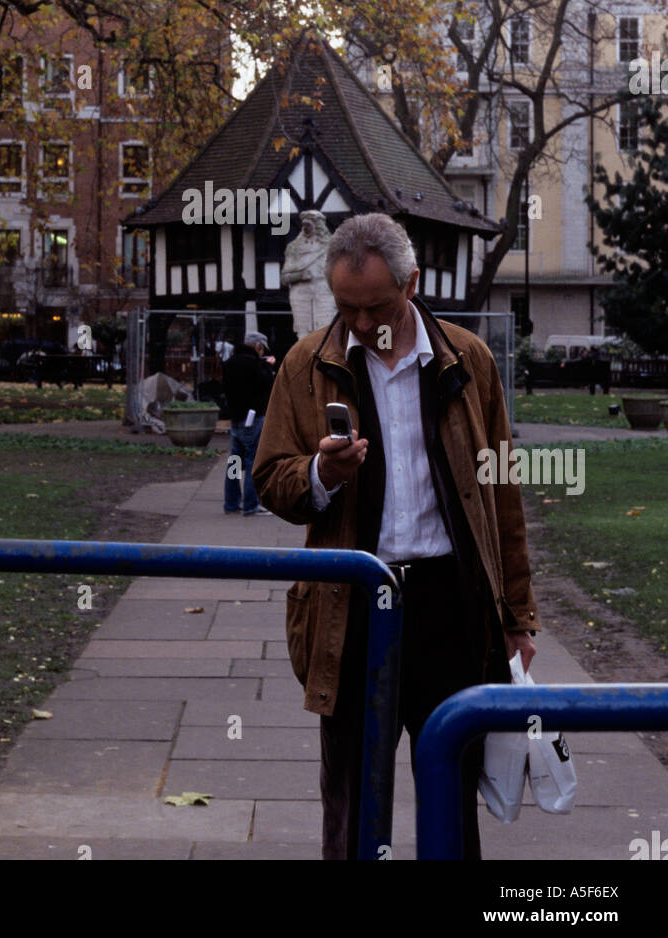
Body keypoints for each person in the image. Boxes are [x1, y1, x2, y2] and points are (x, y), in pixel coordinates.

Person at [252, 213, 539, 860]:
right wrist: (320, 473)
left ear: (410, 284)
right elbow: (269, 479)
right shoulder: (304, 364)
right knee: (350, 799)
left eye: (374, 306)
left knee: (452, 793)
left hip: (448, 601)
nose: (357, 322)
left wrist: (517, 617)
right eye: (344, 306)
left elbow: (502, 499)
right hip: (350, 605)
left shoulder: (469, 360)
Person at [221, 331, 277, 516]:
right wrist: (268, 367)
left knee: (235, 461)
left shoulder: (229, 363)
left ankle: (231, 502)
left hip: (235, 418)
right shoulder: (255, 365)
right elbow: (268, 384)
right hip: (253, 418)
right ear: (258, 346)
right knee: (253, 461)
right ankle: (251, 504)